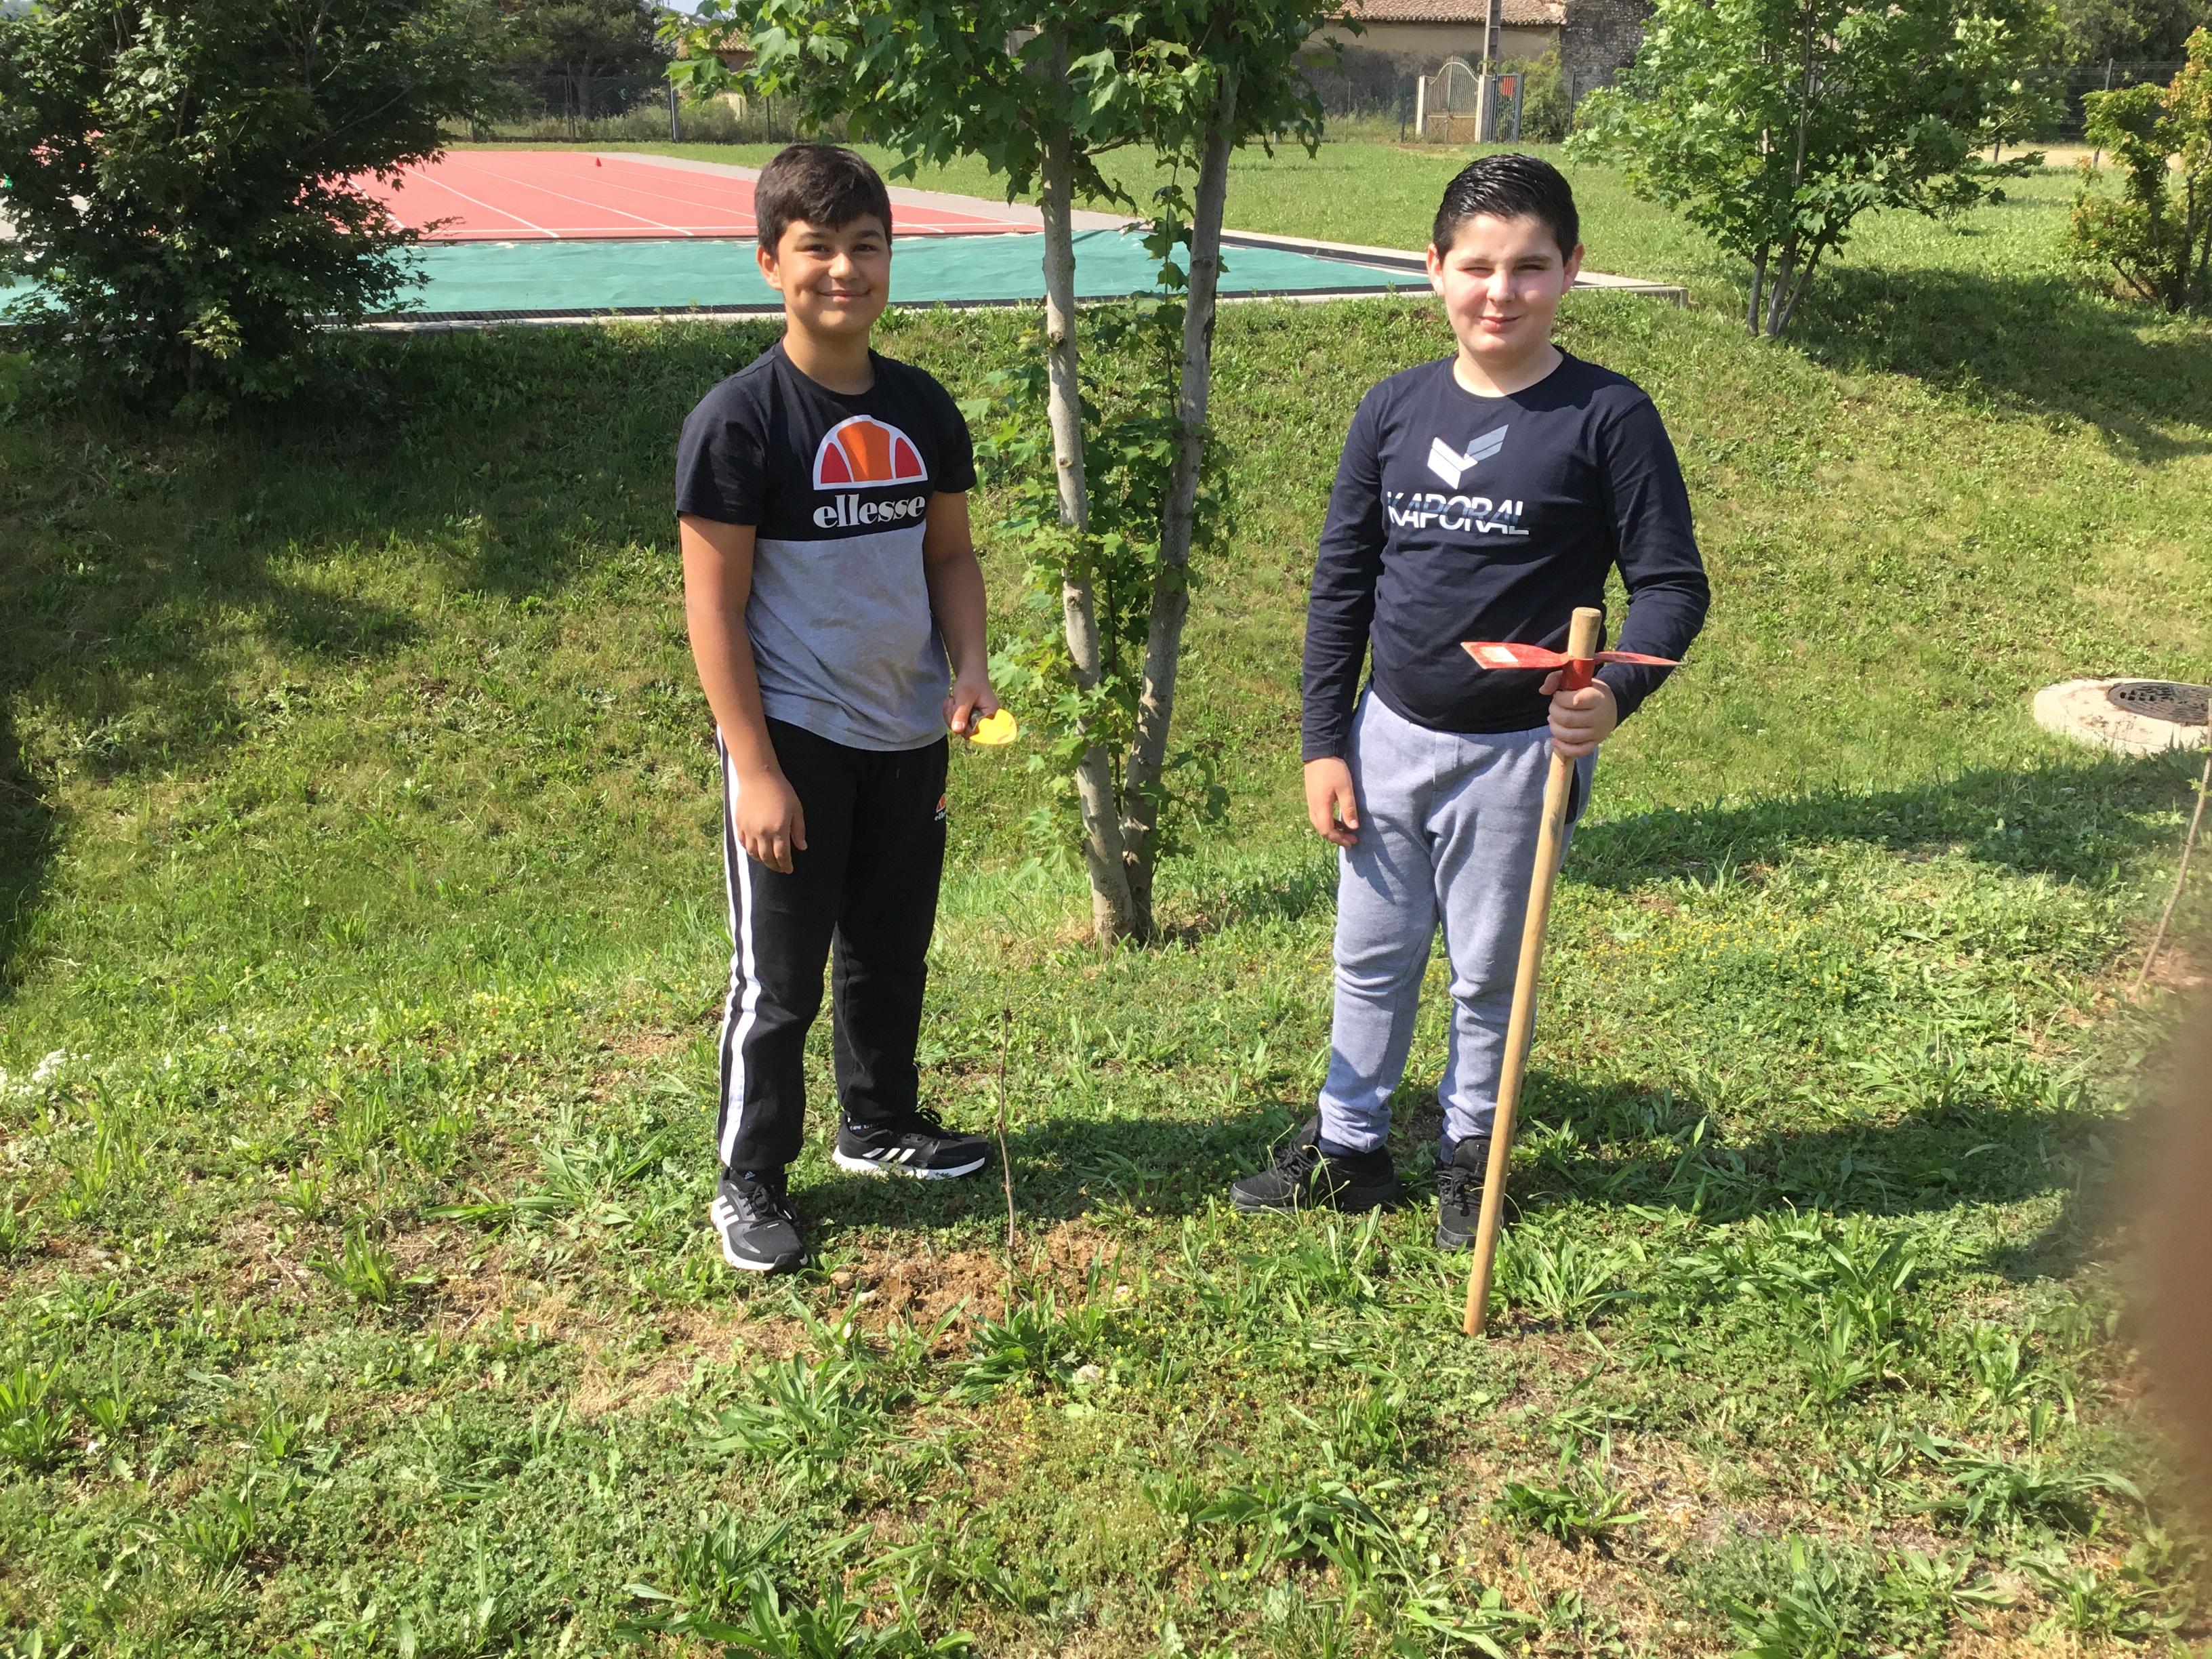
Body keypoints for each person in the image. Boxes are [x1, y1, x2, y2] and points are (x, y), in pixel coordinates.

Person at [1231, 153, 1710, 1247]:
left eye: (1531, 268)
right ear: (1434, 269)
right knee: (1372, 953)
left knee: (1491, 970)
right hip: (1388, 738)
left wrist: (1613, 695)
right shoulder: (1393, 410)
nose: (1504, 292)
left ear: (1573, 271)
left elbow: (1672, 586)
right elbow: (1341, 585)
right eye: (1479, 267)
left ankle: (1470, 1152)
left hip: (1520, 760)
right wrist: (1324, 743)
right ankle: (1349, 1148)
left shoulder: (1608, 418)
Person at [676, 144, 998, 1275]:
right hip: (798, 742)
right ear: (772, 261)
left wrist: (970, 668)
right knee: (779, 983)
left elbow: (950, 556)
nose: (845, 271)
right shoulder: (741, 422)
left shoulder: (921, 406)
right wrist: (753, 766)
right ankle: (751, 1179)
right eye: (818, 249)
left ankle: (881, 1127)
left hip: (909, 734)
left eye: (867, 247)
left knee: (890, 952)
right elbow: (712, 613)